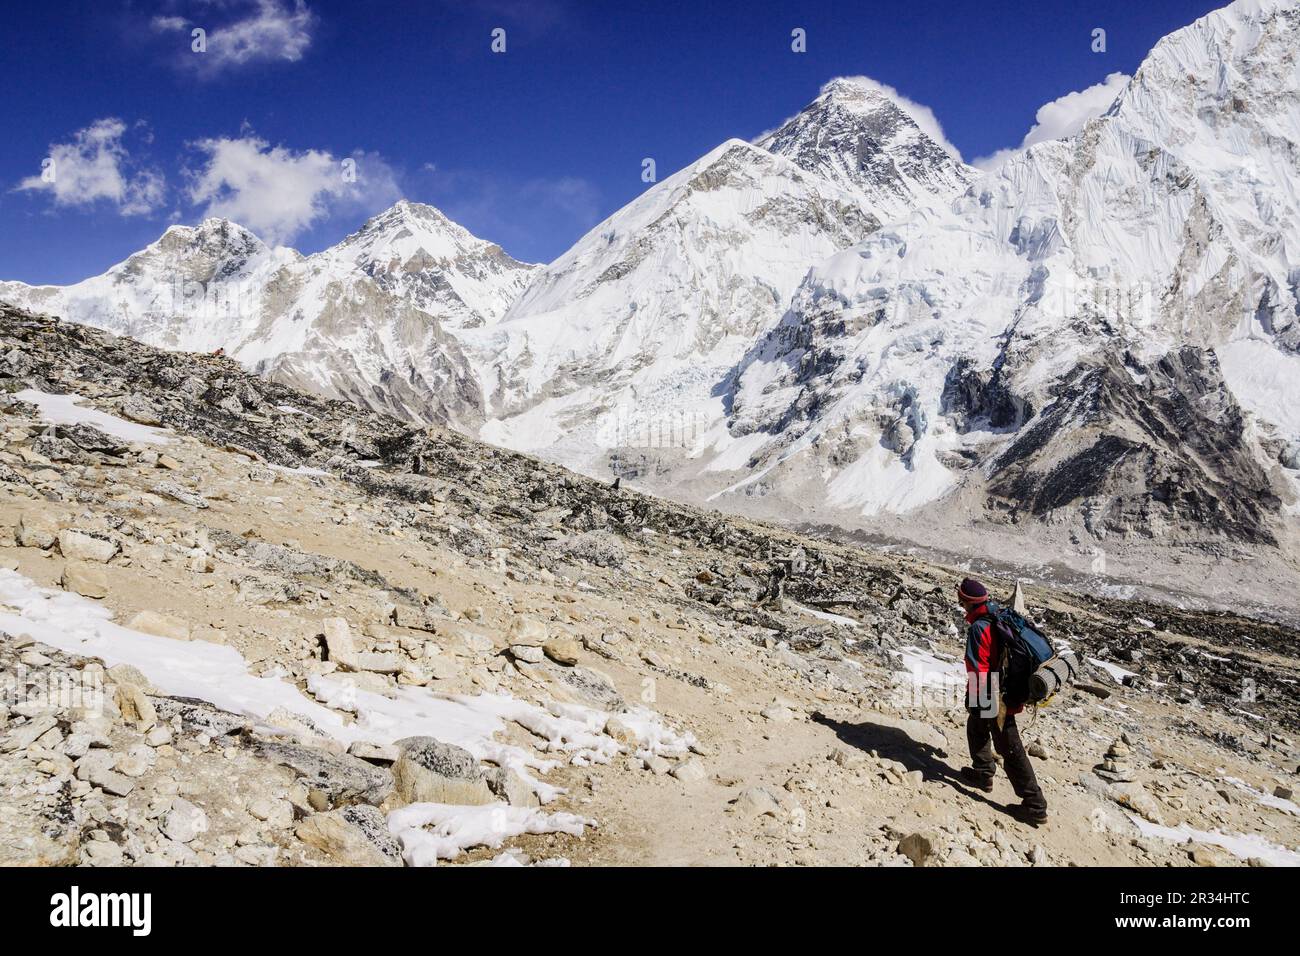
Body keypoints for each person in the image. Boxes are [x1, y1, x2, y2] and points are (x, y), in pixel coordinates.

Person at [956, 577, 1049, 824]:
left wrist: (976, 698)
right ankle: (983, 772)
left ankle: (1035, 805)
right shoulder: (999, 616)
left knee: (1009, 746)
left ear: (965, 601)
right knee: (976, 726)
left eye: (961, 599)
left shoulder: (979, 628)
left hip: (994, 692)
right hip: (1006, 687)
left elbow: (977, 667)